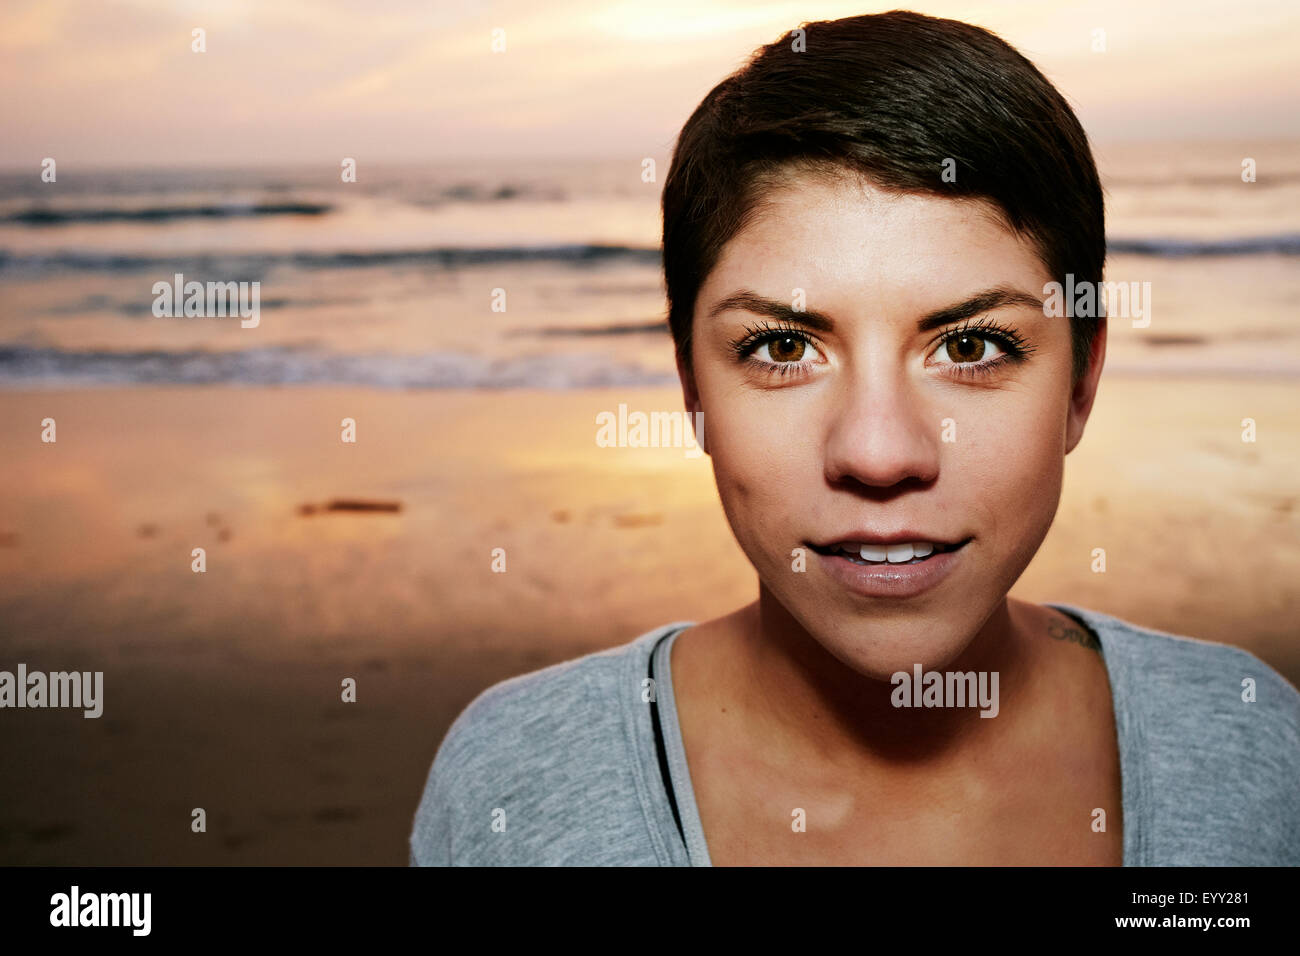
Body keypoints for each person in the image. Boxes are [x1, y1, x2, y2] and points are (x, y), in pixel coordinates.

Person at [410, 10, 1300, 866]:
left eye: (970, 345)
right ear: (691, 389)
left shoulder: (1254, 749)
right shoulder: (515, 781)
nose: (879, 454)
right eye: (784, 347)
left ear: (1081, 380)